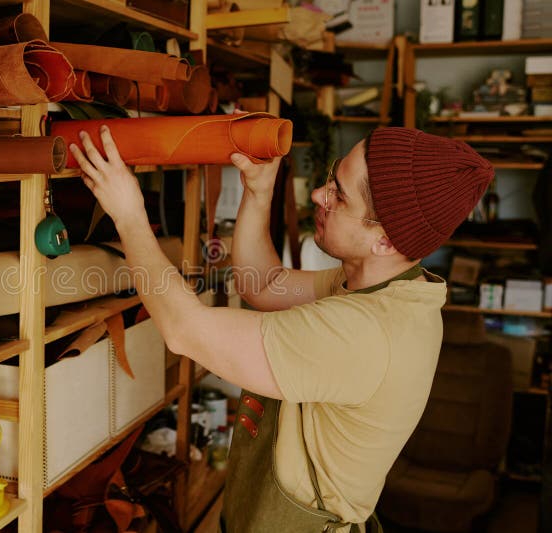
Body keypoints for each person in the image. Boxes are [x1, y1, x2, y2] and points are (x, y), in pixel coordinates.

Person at [69, 124, 493, 532]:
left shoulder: (362, 333)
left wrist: (129, 217)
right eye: (333, 177)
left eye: (339, 196)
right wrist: (259, 194)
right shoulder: (389, 288)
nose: (319, 194)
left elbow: (185, 331)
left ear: (385, 240)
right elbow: (266, 285)